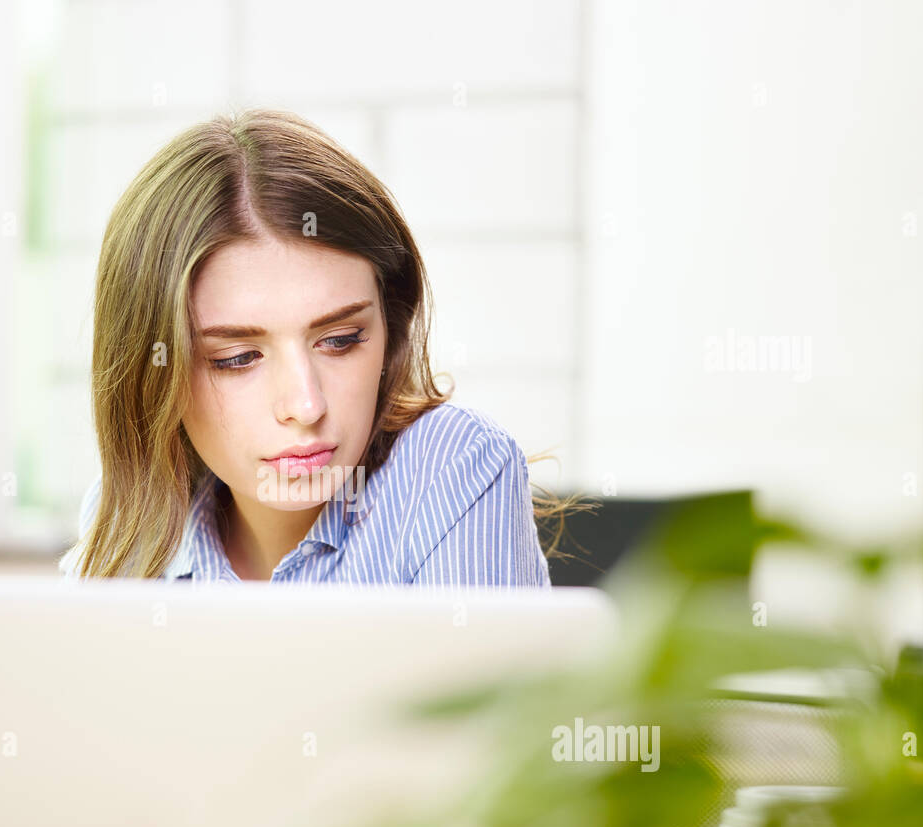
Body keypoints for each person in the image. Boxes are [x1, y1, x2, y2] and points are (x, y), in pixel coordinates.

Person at [59, 108, 578, 585]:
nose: (307, 406)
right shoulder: (129, 522)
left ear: (390, 326)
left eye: (340, 340)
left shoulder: (452, 467)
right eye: (236, 358)